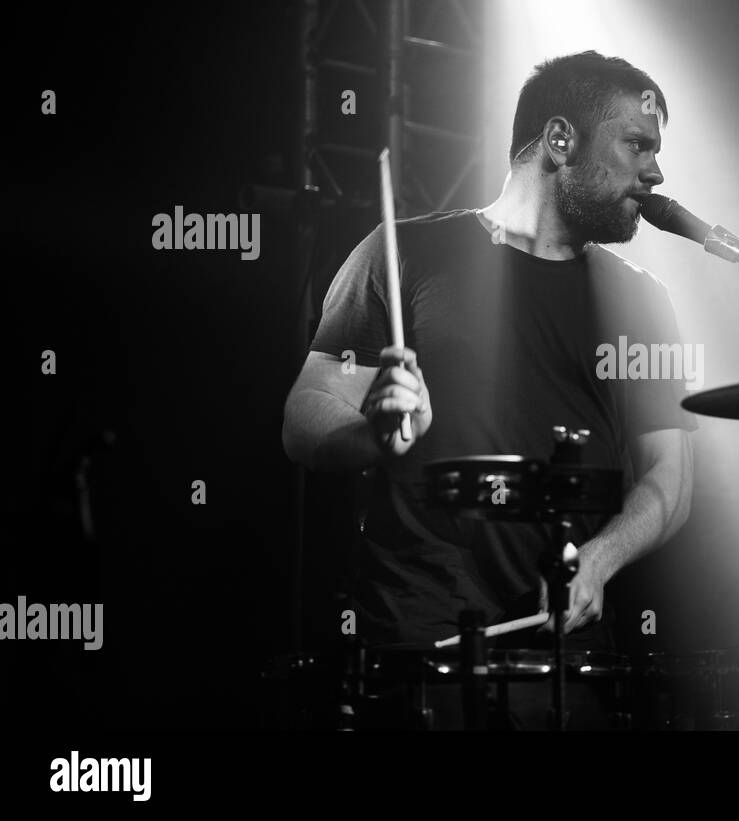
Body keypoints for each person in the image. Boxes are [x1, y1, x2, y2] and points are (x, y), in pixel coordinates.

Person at [282, 51, 695, 653]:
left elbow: (673, 478)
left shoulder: (642, 300)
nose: (655, 173)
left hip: (567, 640)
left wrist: (600, 560)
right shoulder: (402, 253)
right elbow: (302, 419)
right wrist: (372, 435)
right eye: (638, 145)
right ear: (560, 139)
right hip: (420, 634)